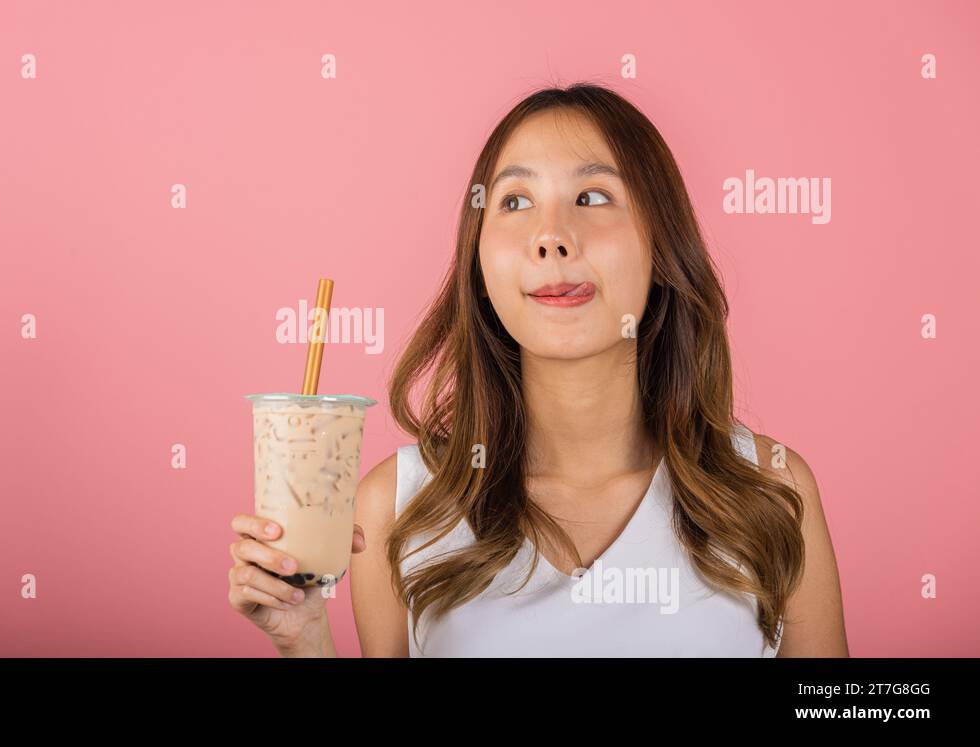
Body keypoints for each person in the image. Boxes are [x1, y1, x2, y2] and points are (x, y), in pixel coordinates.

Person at [228, 83, 849, 657]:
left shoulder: (771, 492)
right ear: (479, 260)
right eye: (516, 201)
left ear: (662, 245)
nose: (551, 238)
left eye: (592, 196)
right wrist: (304, 638)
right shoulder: (396, 509)